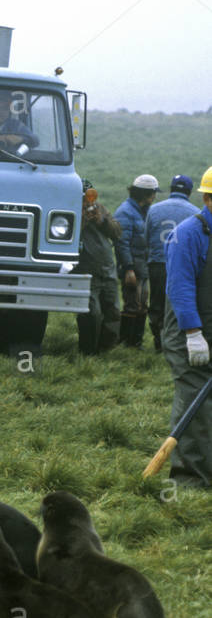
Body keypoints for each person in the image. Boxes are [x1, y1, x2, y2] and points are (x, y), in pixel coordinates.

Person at [160, 166, 212, 486]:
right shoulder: (188, 234)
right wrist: (193, 334)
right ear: (208, 198)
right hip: (186, 330)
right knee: (197, 402)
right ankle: (188, 478)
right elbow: (180, 287)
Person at [145, 175, 199, 352]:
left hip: (158, 263)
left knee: (157, 304)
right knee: (180, 301)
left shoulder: (153, 210)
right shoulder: (194, 212)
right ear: (189, 192)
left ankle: (158, 342)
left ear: (171, 189)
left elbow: (146, 237)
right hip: (182, 265)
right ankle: (178, 342)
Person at [76, 180, 123, 356]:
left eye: (91, 195)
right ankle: (88, 352)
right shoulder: (71, 210)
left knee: (112, 311)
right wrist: (83, 220)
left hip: (107, 268)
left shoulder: (100, 209)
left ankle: (106, 351)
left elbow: (117, 231)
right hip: (86, 269)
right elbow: (67, 234)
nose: (89, 200)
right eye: (85, 197)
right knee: (91, 313)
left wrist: (102, 221)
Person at [114, 174, 159, 347]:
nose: (155, 196)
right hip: (133, 267)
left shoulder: (144, 211)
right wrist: (128, 269)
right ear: (145, 194)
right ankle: (127, 343)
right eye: (153, 192)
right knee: (133, 304)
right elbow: (122, 243)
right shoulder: (125, 212)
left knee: (141, 304)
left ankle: (135, 343)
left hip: (142, 266)